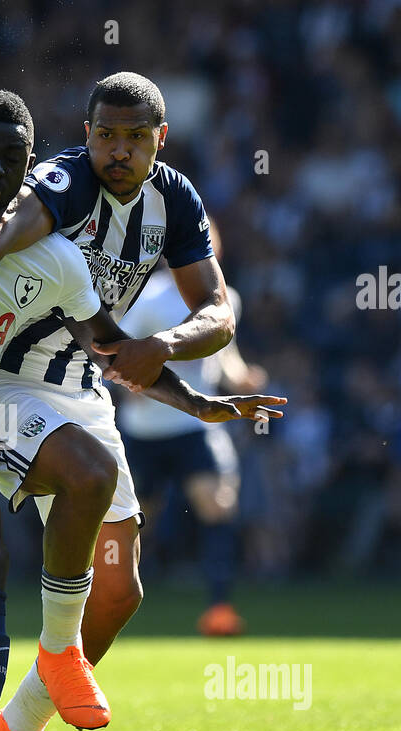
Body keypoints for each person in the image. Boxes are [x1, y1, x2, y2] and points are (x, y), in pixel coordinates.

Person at [0, 73, 280, 731]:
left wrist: (174, 356)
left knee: (119, 595)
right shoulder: (63, 183)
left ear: (161, 139)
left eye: (134, 138)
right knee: (90, 474)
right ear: (86, 133)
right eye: (105, 134)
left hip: (84, 391)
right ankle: (55, 658)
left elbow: (218, 310)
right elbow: (3, 227)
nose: (118, 151)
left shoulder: (173, 199)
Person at [118, 218, 268, 636]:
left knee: (218, 504)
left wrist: (242, 380)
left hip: (196, 426)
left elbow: (223, 355)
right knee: (132, 522)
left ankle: (219, 609)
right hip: (146, 430)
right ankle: (111, 607)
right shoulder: (149, 298)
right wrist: (132, 383)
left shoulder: (226, 299)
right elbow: (119, 352)